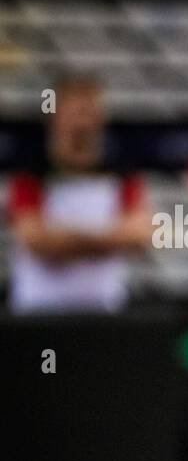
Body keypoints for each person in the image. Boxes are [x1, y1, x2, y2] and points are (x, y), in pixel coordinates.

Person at [7, 73, 153, 313]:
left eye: (88, 113)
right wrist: (108, 239)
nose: (82, 124)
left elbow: (140, 235)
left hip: (104, 312)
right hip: (38, 314)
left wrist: (65, 242)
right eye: (74, 113)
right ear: (55, 118)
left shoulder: (122, 175)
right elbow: (36, 241)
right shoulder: (31, 177)